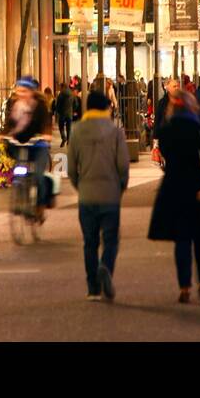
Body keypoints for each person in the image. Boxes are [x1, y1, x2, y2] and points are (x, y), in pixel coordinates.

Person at [148, 88, 200, 303]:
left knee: (181, 239)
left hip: (174, 187)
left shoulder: (166, 130)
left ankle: (184, 287)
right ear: (193, 106)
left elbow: (166, 156)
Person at [68, 91, 129, 301]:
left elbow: (70, 170)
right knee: (111, 240)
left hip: (86, 195)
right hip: (110, 194)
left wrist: (80, 186)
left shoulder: (76, 131)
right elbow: (123, 166)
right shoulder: (116, 132)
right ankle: (106, 267)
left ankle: (93, 288)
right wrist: (121, 187)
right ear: (106, 108)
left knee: (90, 242)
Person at [3, 77, 54, 216]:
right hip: (21, 144)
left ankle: (40, 206)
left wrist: (46, 135)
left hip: (38, 146)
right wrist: (3, 135)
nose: (20, 94)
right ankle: (20, 199)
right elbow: (10, 124)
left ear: (31, 92)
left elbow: (46, 123)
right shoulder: (15, 106)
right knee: (19, 171)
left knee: (38, 175)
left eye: (24, 91)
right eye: (18, 91)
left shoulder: (40, 106)